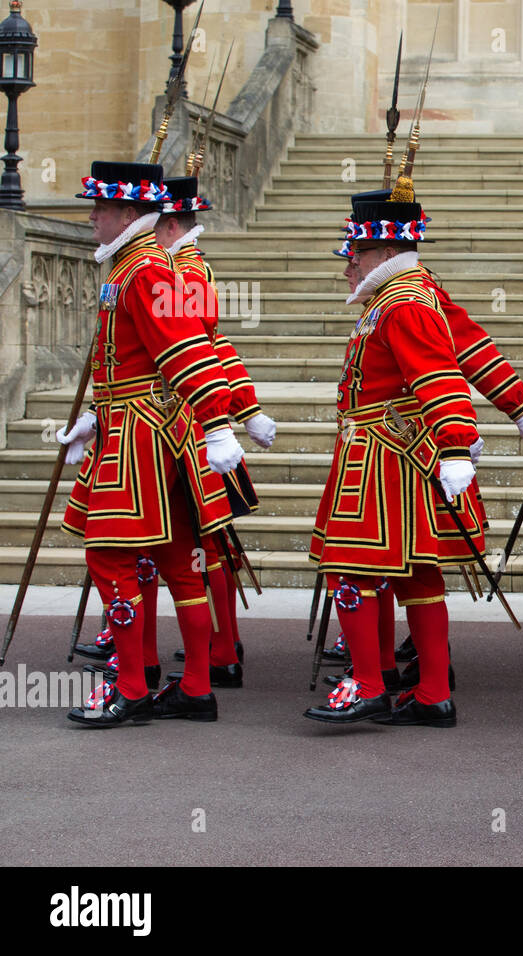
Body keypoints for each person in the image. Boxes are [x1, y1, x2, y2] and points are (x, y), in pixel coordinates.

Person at [60, 161, 243, 726]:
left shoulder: (144, 271)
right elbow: (135, 360)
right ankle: (193, 686)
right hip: (134, 423)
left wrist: (218, 420)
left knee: (108, 555)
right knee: (177, 557)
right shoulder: (134, 266)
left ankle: (132, 686)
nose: (92, 216)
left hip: (141, 435)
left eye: (103, 208)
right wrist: (96, 414)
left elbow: (186, 349)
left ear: (132, 214)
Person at [304, 183, 478, 726]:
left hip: (384, 456)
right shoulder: (391, 299)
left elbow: (440, 378)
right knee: (415, 575)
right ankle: (429, 693)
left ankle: (371, 684)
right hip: (378, 453)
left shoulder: (402, 303)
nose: (350, 261)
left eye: (358, 251)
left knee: (349, 572)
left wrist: (455, 446)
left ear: (381, 253)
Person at [154, 175, 276, 690]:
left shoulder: (184, 268)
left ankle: (221, 647)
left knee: (210, 542)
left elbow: (206, 348)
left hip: (186, 421)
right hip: (180, 418)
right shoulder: (169, 266)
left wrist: (234, 415)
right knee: (203, 542)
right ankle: (216, 644)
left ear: (170, 224)